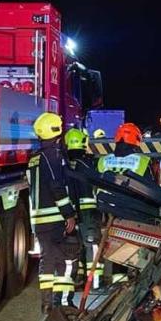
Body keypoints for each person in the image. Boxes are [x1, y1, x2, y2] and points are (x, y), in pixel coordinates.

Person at [28, 113, 80, 309]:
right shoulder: (53, 156)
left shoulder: (34, 158)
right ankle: (62, 304)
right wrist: (69, 214)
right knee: (65, 261)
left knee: (47, 260)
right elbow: (57, 187)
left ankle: (47, 304)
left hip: (38, 221)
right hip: (54, 219)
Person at [63, 127, 101, 288]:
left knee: (73, 246)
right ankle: (95, 283)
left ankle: (74, 279)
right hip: (89, 213)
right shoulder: (89, 163)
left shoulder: (63, 165)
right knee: (92, 245)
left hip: (69, 213)